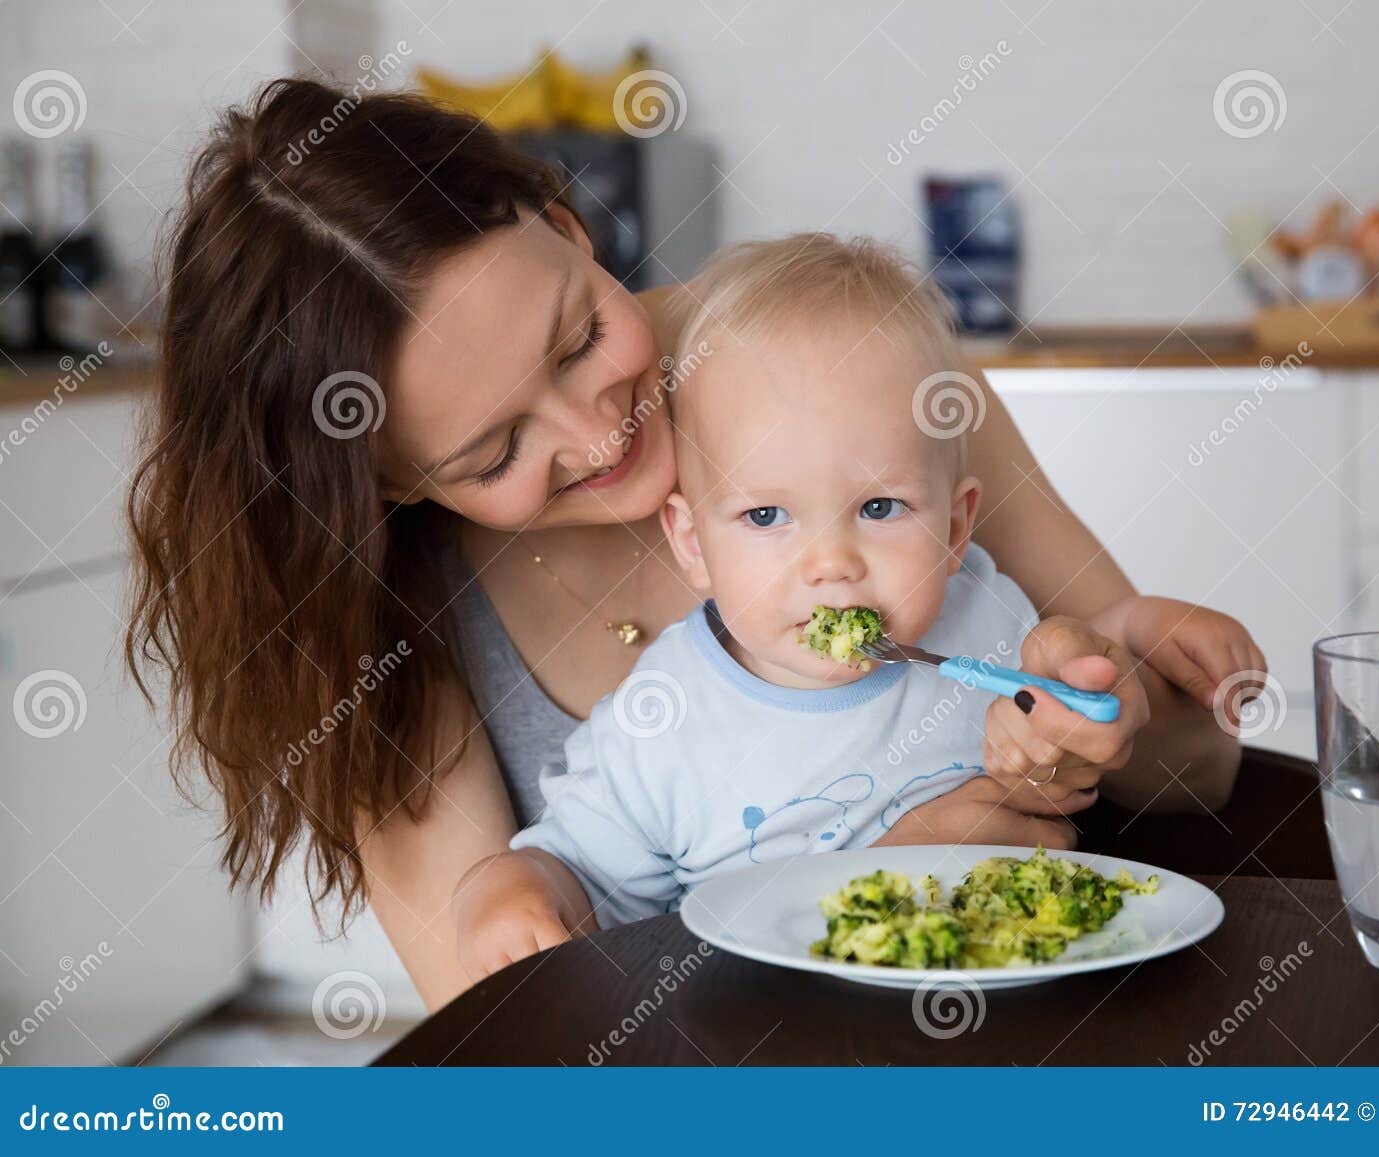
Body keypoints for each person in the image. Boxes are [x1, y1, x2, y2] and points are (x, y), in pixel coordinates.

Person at [127, 79, 1257, 1010]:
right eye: (493, 451)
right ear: (385, 486)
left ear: (565, 227)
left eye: (576, 338)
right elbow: (516, 1034)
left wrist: (1103, 719)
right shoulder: (378, 613)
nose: (597, 432)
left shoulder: (843, 363)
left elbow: (1199, 776)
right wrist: (855, 893)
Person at [454, 234, 1266, 968]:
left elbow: (1082, 673)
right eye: (766, 516)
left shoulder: (987, 617)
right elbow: (574, 869)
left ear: (956, 527)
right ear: (693, 543)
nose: (832, 564)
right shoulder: (660, 720)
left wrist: (1132, 635)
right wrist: (512, 885)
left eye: (880, 509)